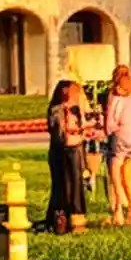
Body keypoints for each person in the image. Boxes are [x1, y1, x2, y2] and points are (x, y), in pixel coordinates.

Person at [105, 67, 131, 226]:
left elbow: (111, 119)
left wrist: (110, 130)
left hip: (120, 136)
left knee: (115, 172)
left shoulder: (114, 95)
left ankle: (118, 210)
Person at [46, 80, 89, 234]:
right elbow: (58, 131)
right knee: (62, 186)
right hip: (60, 151)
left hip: (75, 149)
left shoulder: (77, 109)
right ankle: (59, 218)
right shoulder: (56, 110)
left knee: (77, 185)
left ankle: (77, 217)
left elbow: (84, 126)